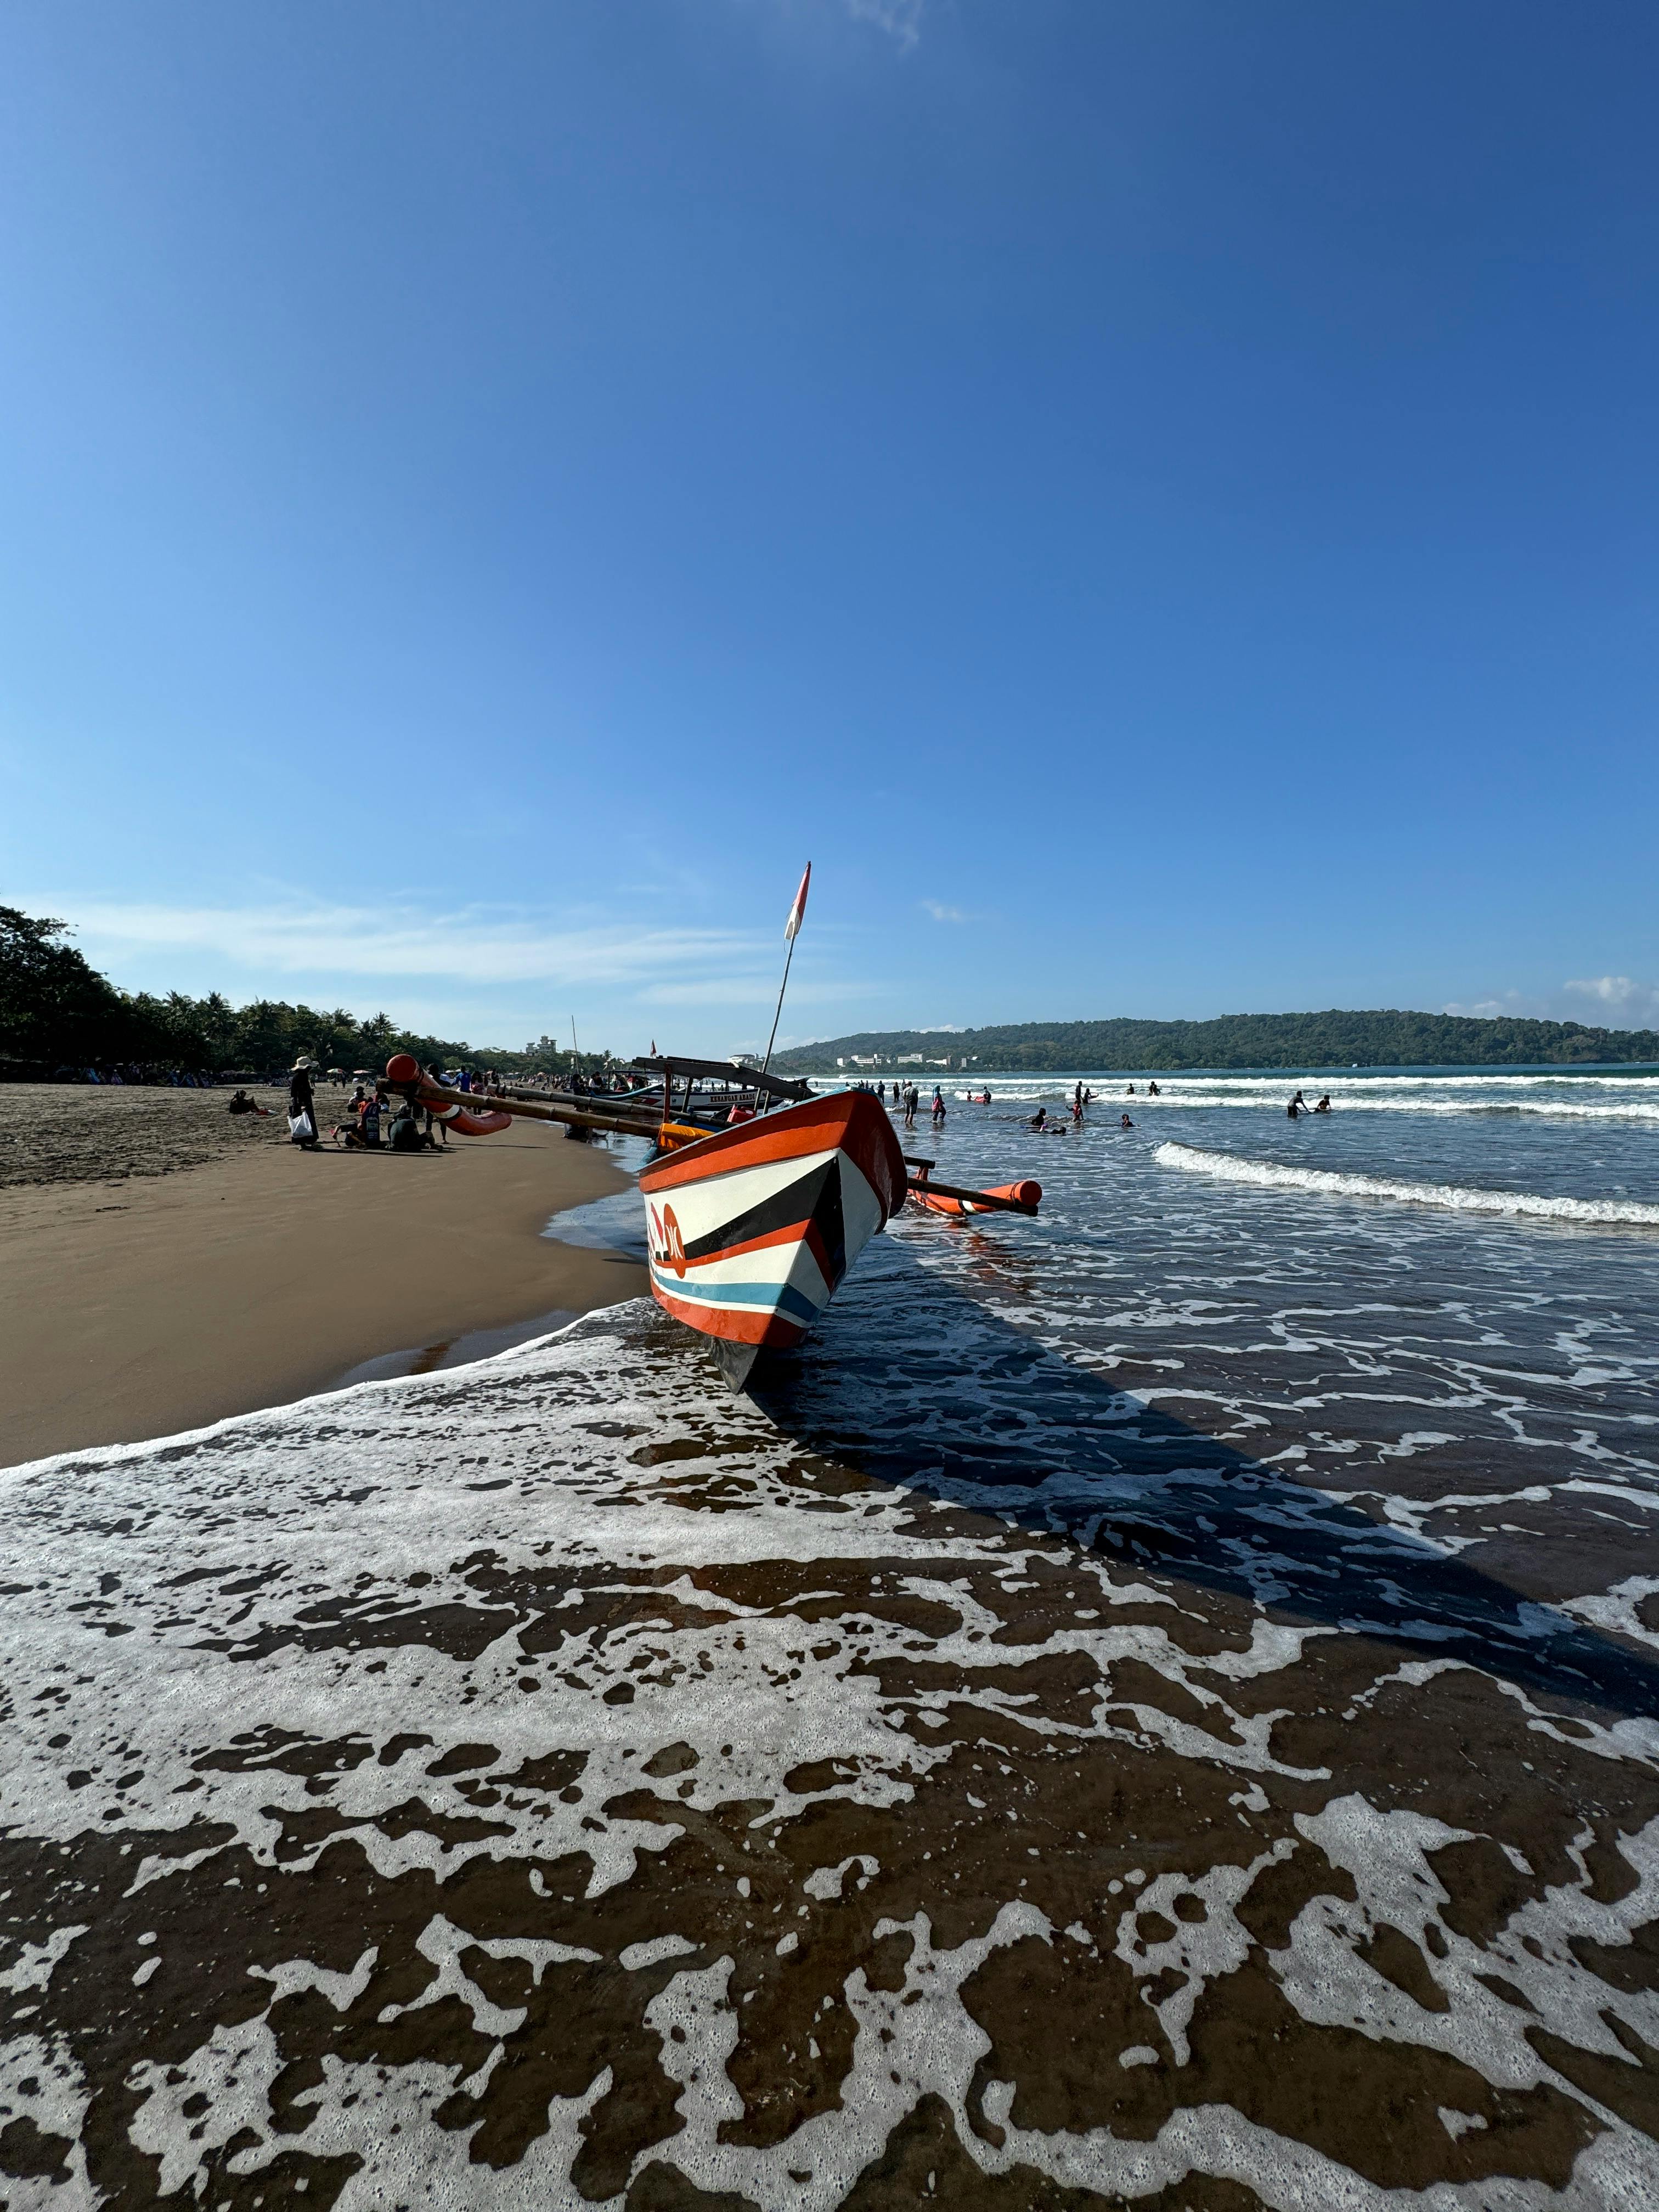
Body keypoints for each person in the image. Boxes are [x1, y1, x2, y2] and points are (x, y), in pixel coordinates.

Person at [288, 1057, 320, 1148]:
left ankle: (304, 1144)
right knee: (306, 1122)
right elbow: (296, 1092)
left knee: (303, 1123)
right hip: (302, 1104)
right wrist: (302, 1104)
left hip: (301, 1103)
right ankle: (308, 1143)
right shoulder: (300, 1076)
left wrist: (310, 1091)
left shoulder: (301, 1076)